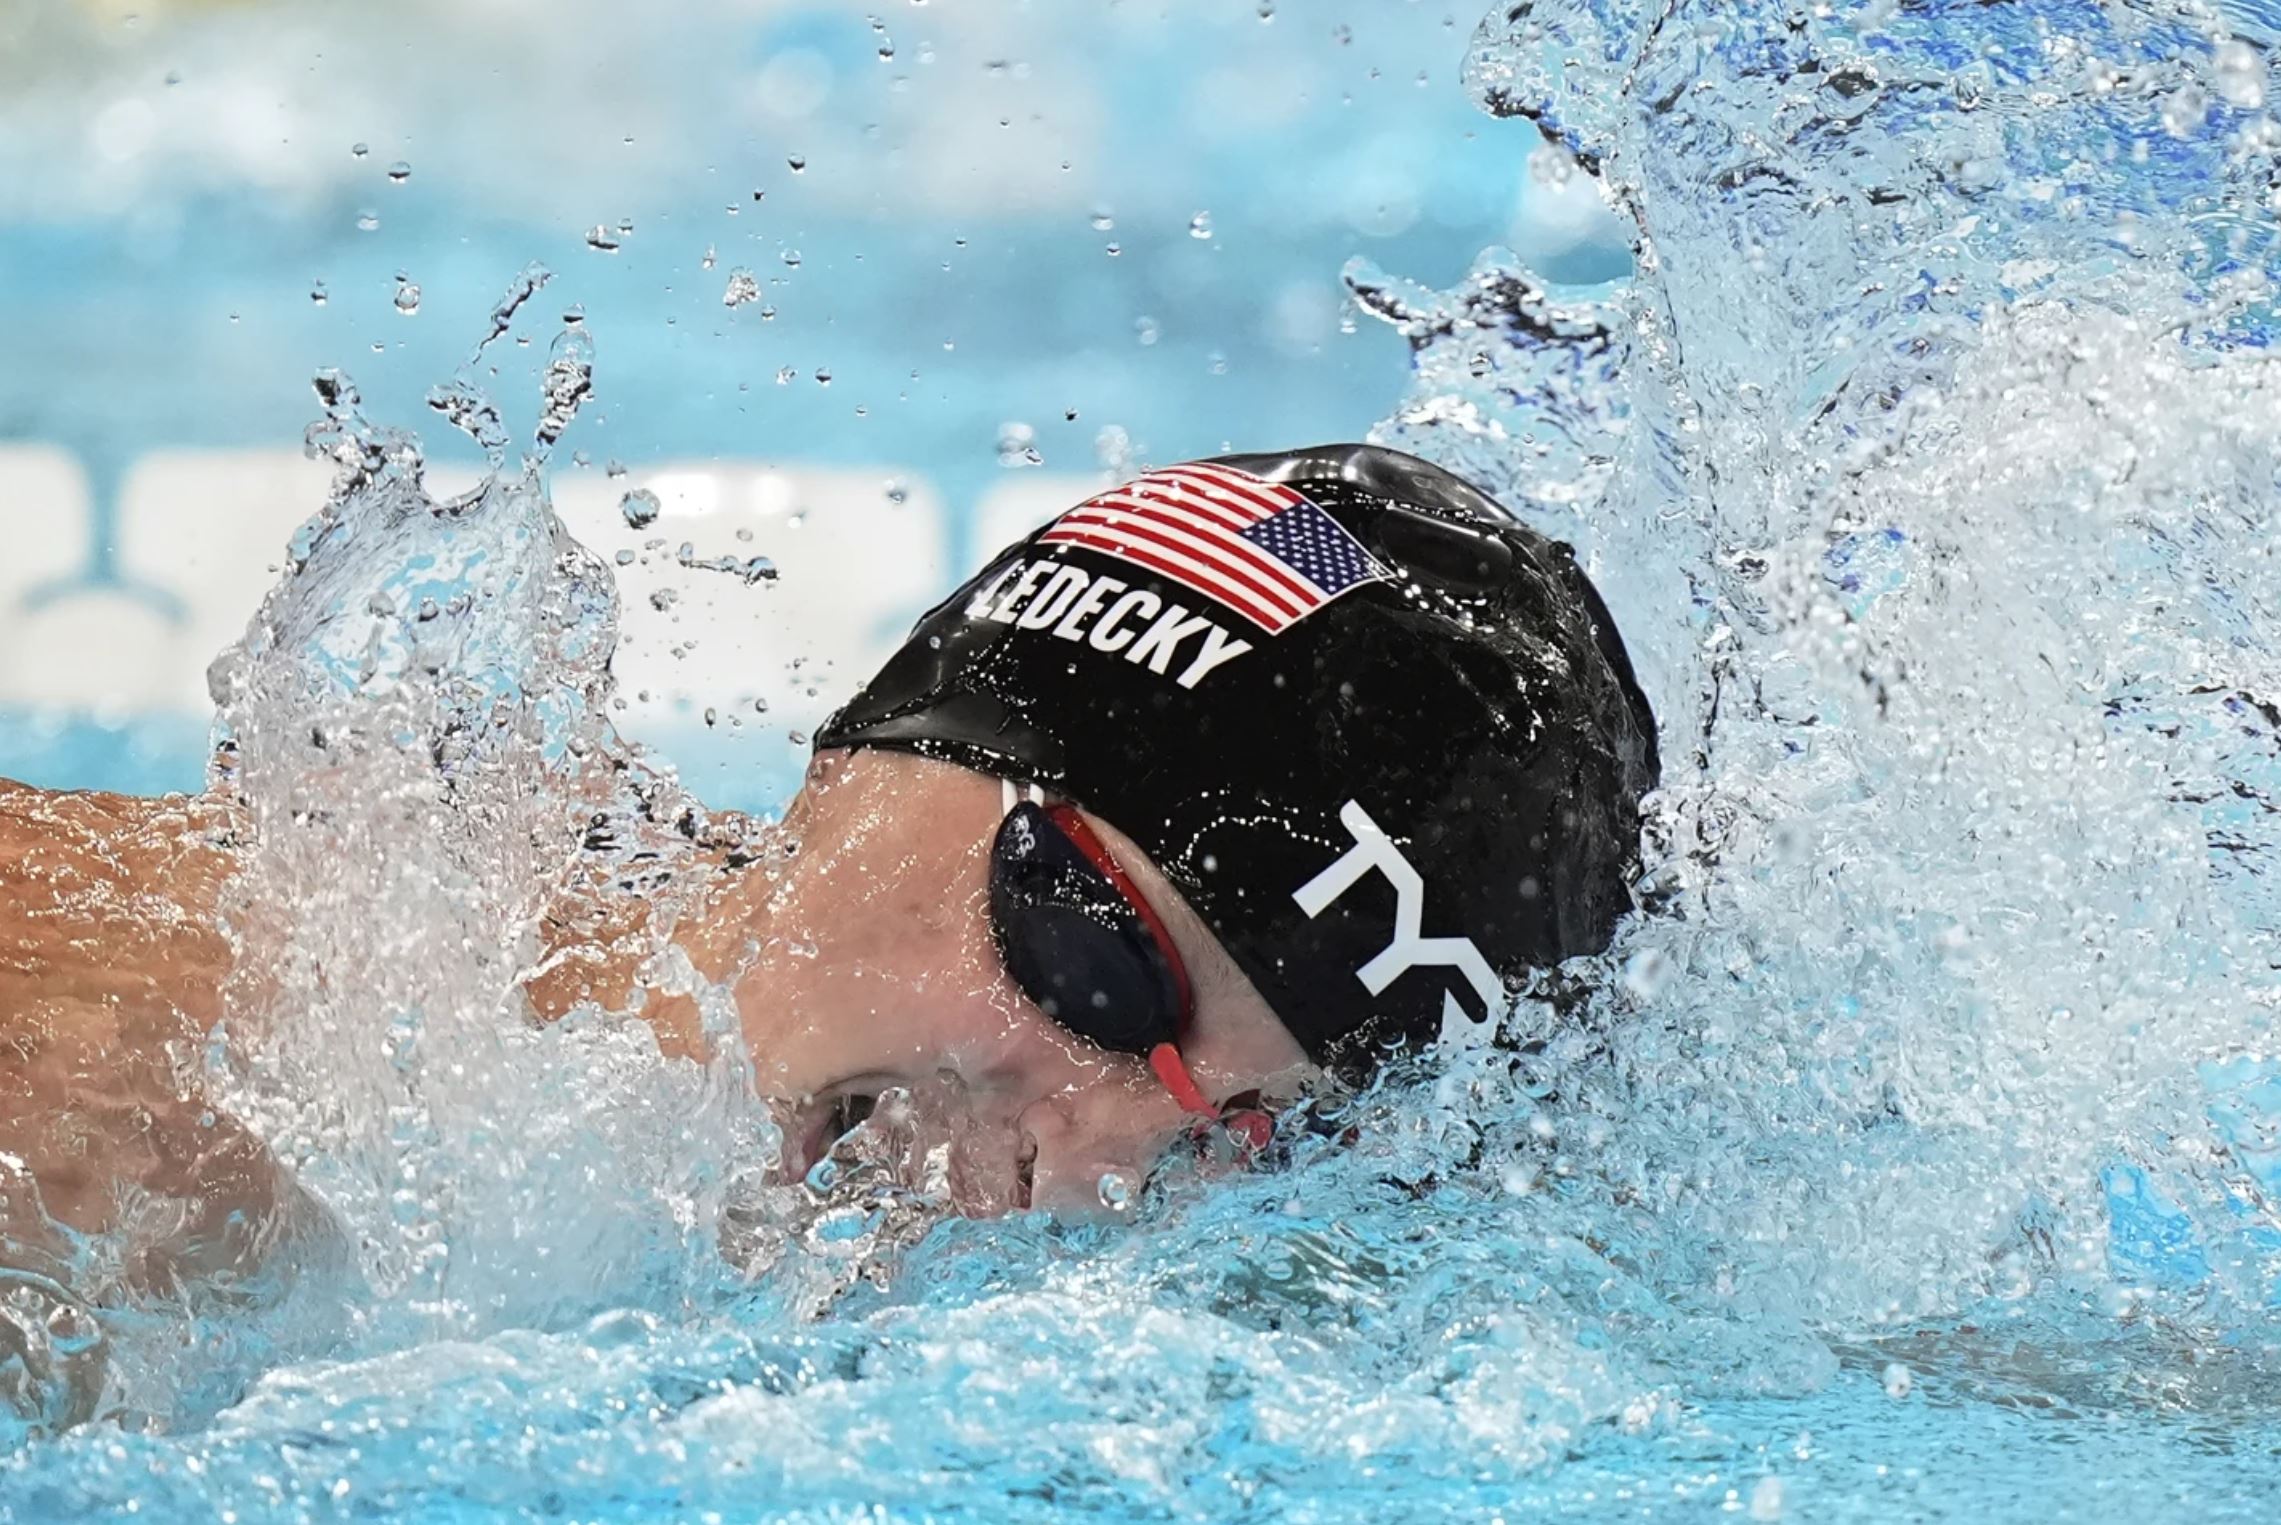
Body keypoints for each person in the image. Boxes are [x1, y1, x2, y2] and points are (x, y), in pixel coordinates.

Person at [1, 443, 1658, 1287]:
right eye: (1093, 960)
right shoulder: (125, 1096)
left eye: (1236, 1135)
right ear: (896, 752)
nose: (1075, 1166)